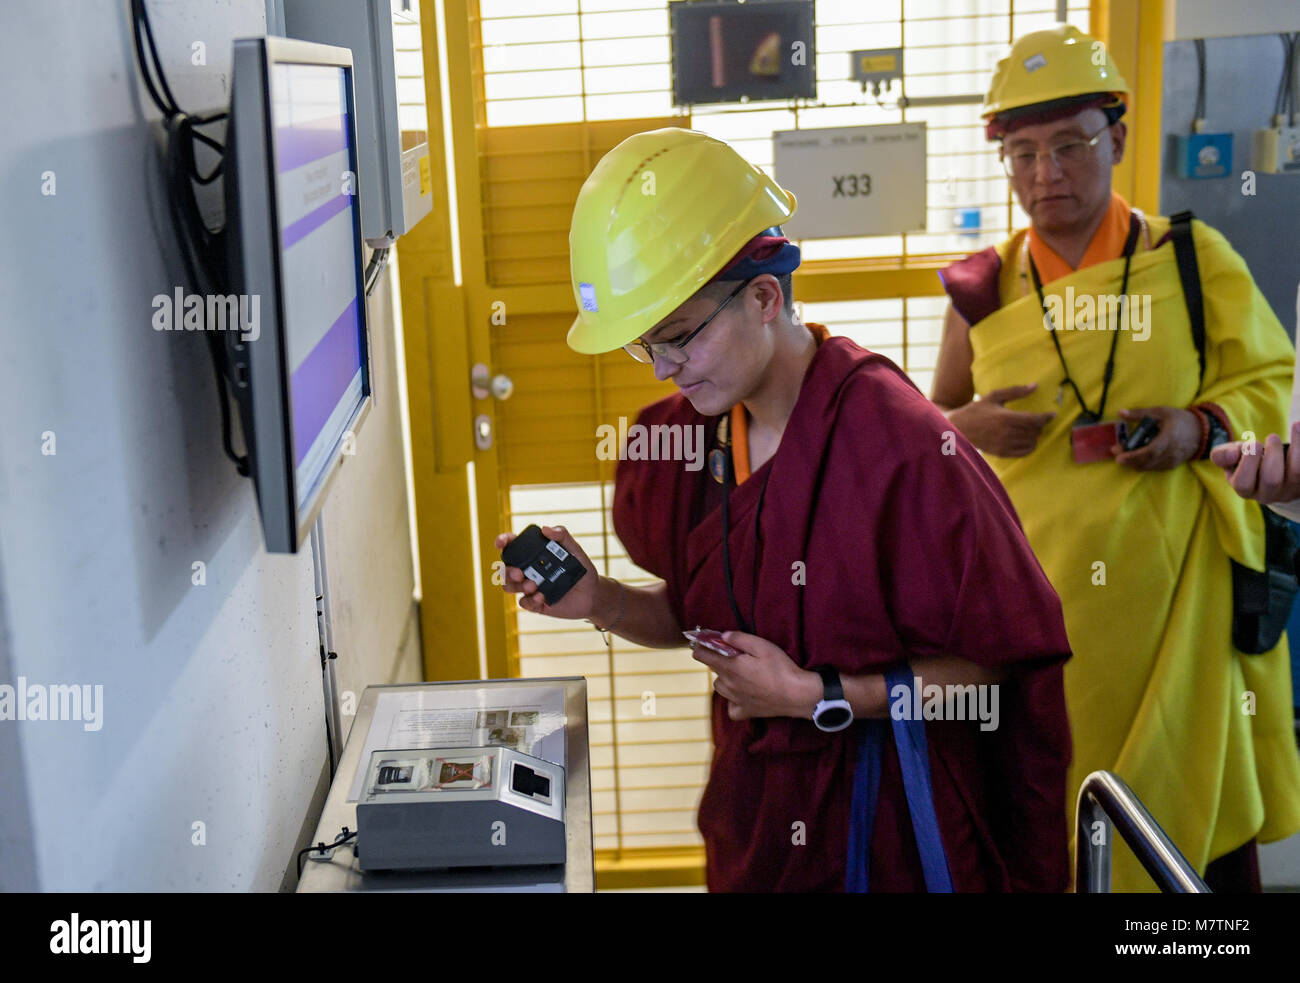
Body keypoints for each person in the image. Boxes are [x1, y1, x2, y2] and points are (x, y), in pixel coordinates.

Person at [496, 126, 1074, 892]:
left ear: (765, 297)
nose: (665, 370)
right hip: (759, 818)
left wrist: (820, 696)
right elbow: (699, 618)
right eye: (645, 347)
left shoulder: (900, 445)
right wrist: (600, 599)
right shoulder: (688, 443)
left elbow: (993, 673)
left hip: (887, 826)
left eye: (677, 339)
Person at [932, 23, 1300, 891]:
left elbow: (1267, 379)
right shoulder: (981, 288)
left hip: (1180, 608)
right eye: (1021, 154)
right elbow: (934, 418)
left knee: (1187, 846)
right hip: (1039, 612)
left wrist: (1196, 426)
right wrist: (972, 425)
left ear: (1118, 138)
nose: (1044, 175)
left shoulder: (1188, 260)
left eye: (1069, 145)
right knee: (1049, 822)